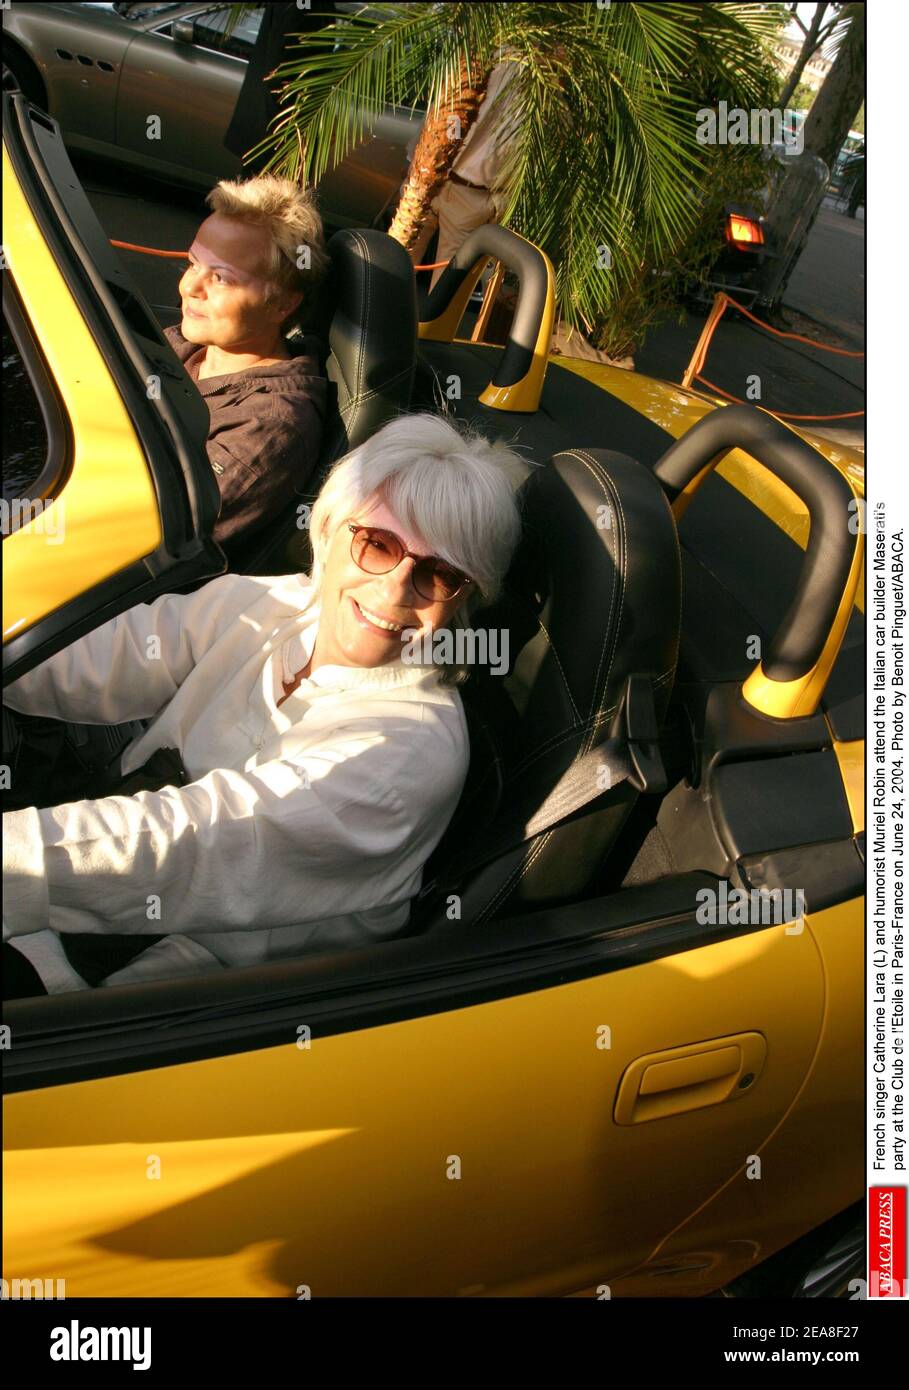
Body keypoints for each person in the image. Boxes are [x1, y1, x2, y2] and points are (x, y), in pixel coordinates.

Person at [2, 414, 528, 998]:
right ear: (328, 533)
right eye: (378, 544)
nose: (397, 590)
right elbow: (100, 654)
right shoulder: (280, 604)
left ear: (464, 600)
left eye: (439, 574)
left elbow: (196, 839)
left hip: (208, 994)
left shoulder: (409, 752)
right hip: (95, 892)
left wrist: (13, 857)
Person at [166, 175, 330, 561]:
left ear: (281, 305)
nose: (191, 287)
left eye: (220, 278)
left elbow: (157, 529)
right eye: (193, 265)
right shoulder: (190, 343)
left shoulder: (270, 426)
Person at [408, 58, 520, 291]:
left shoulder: (522, 80)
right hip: (433, 177)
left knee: (442, 288)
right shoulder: (480, 58)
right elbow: (441, 110)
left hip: (467, 194)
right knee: (405, 265)